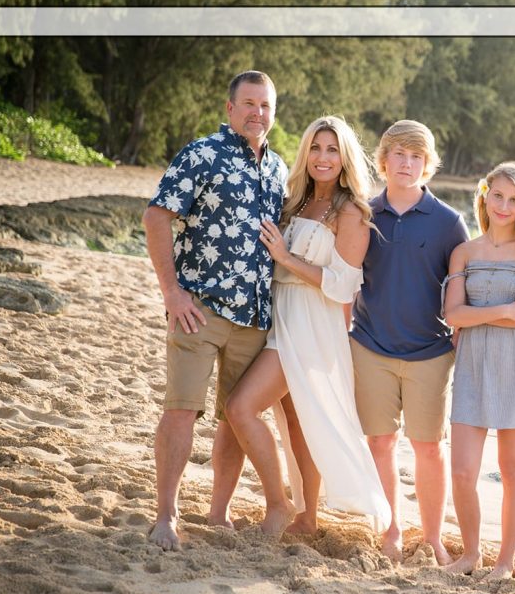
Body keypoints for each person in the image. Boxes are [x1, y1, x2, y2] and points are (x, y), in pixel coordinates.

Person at [224, 115, 391, 538]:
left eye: (332, 149)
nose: (322, 157)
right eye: (315, 148)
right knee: (296, 422)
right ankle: (307, 517)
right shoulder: (294, 200)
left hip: (310, 325)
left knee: (240, 408)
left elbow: (343, 287)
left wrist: (286, 259)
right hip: (278, 313)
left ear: (345, 157)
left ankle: (280, 505)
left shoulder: (351, 211)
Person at [143, 70, 287, 551]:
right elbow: (157, 215)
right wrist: (172, 293)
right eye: (248, 103)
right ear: (230, 109)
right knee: (182, 409)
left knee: (232, 417)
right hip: (198, 310)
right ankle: (166, 515)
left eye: (264, 105)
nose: (256, 113)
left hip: (255, 316)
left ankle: (219, 512)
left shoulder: (279, 170)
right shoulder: (202, 154)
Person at [350, 119, 468, 564]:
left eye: (416, 156)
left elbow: (463, 286)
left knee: (427, 447)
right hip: (371, 346)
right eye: (398, 154)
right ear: (383, 162)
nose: (406, 163)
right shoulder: (362, 213)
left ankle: (433, 535)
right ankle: (392, 529)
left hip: (431, 353)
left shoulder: (448, 223)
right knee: (380, 442)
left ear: (428, 165)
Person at [441, 162, 515, 579]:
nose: (504, 206)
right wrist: (505, 308)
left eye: (514, 199)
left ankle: (504, 563)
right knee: (463, 470)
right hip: (472, 365)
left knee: (512, 468)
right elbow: (452, 314)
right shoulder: (464, 252)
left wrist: (478, 315)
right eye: (498, 196)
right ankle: (471, 554)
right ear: (485, 195)